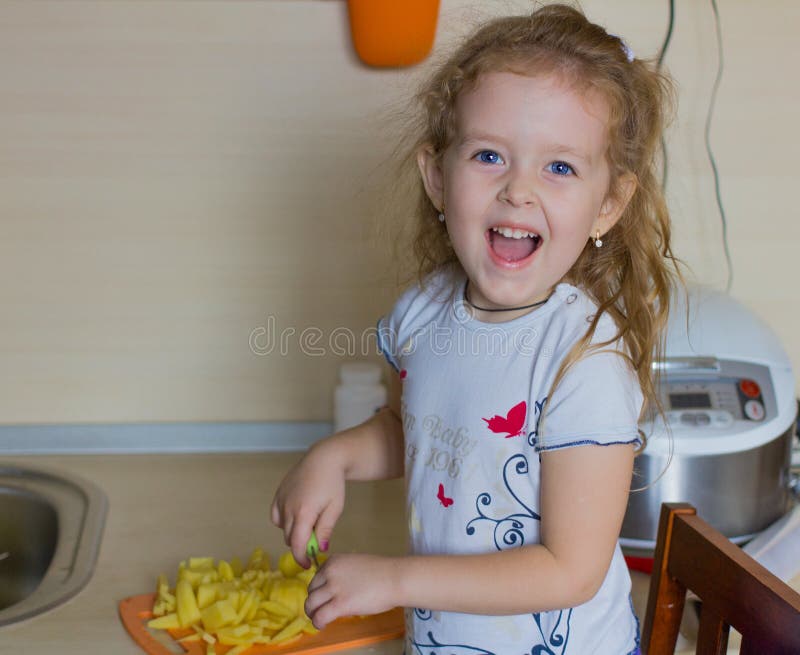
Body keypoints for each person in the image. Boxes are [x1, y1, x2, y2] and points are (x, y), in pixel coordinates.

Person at [271, 3, 681, 653]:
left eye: (560, 166)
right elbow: (423, 433)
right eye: (490, 154)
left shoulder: (584, 362)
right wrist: (336, 457)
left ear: (609, 204)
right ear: (437, 177)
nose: (519, 190)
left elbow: (569, 570)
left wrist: (396, 579)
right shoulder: (424, 313)